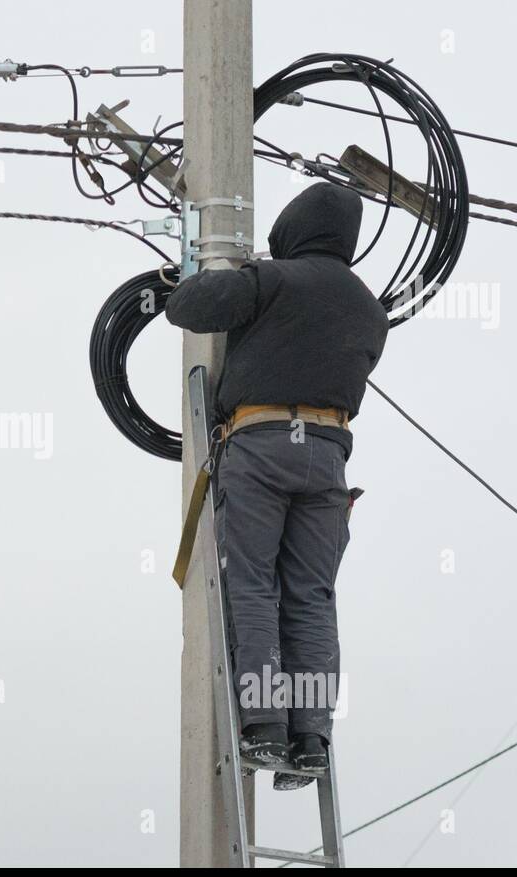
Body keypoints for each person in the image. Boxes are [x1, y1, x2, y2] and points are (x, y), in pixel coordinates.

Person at [165, 181, 388, 785]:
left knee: (254, 584)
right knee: (311, 597)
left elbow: (186, 308)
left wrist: (225, 276)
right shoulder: (371, 309)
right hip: (327, 459)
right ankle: (311, 737)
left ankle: (262, 725)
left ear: (295, 228)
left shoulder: (275, 279)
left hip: (262, 445)